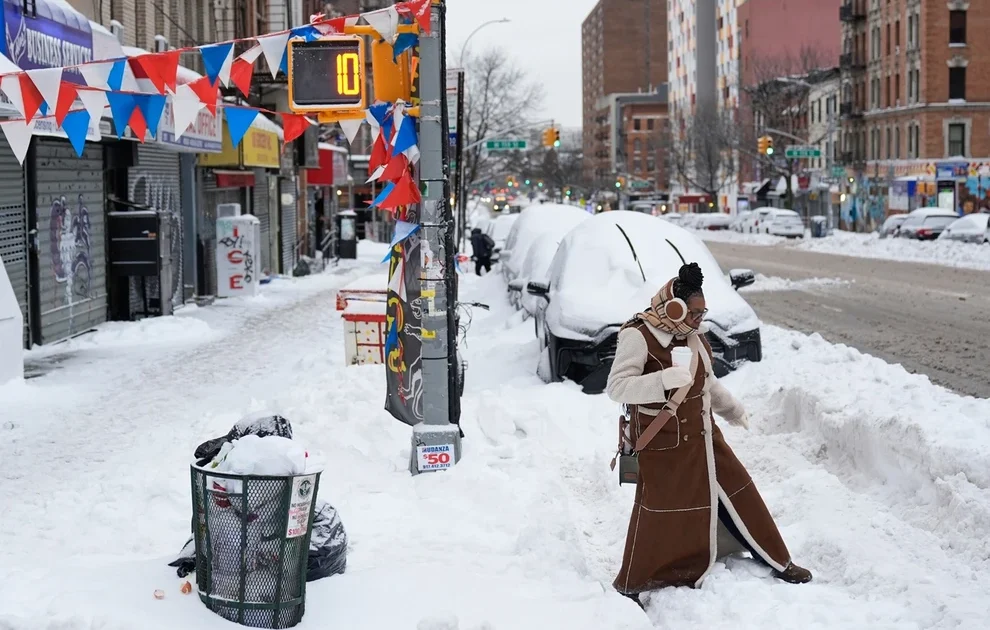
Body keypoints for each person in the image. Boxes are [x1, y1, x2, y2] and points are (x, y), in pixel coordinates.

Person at [606, 262, 811, 607]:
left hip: (704, 436)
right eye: (694, 312)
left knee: (740, 492)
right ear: (674, 308)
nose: (700, 319)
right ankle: (632, 584)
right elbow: (617, 387)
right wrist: (661, 381)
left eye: (703, 312)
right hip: (663, 443)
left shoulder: (694, 337)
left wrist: (733, 410)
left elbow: (707, 383)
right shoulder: (638, 336)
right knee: (658, 513)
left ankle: (775, 559)